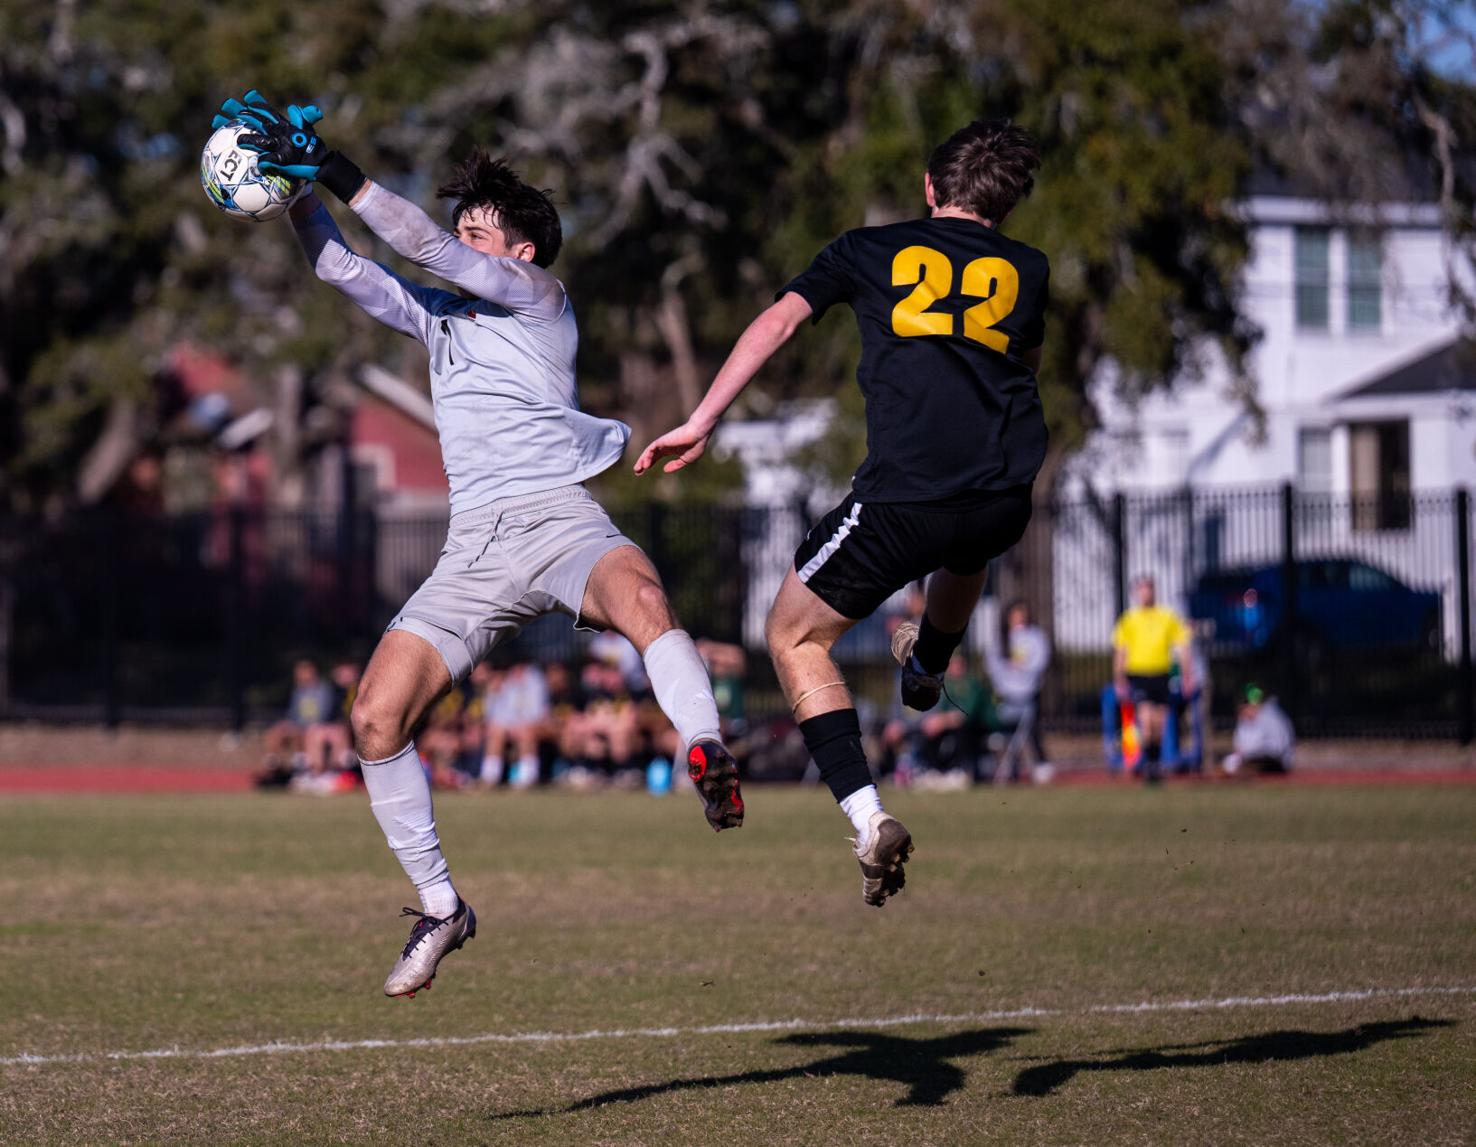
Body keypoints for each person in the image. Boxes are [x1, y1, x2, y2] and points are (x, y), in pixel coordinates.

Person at [216, 91, 741, 997]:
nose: (462, 239)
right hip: (473, 547)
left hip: (558, 516)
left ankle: (706, 749)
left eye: (480, 231)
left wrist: (335, 165)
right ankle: (440, 905)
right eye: (462, 224)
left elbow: (421, 245)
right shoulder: (439, 318)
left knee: (646, 604)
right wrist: (298, 193)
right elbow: (346, 270)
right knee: (375, 717)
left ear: (522, 251)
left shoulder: (540, 298)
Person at [638, 119, 1049, 906]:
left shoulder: (869, 248)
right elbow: (1018, 371)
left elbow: (779, 321)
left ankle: (868, 819)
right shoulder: (1031, 268)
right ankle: (927, 663)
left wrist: (703, 418)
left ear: (931, 190)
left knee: (792, 634)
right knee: (968, 542)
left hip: (904, 497)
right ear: (1004, 207)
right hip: (1001, 497)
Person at [1111, 575, 1195, 782]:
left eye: (1149, 589)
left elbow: (1182, 647)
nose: (1145, 593)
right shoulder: (1129, 620)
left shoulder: (1167, 617)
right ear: (1136, 593)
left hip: (1161, 674)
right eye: (1142, 590)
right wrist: (1119, 678)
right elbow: (1121, 652)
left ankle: (1154, 762)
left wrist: (1186, 675)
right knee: (1146, 722)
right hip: (1139, 674)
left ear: (1154, 591)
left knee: (1159, 724)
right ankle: (1148, 764)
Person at [985, 600, 1052, 772]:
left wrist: (1023, 668)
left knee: (1030, 730)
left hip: (1028, 692)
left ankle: (1040, 763)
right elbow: (994, 666)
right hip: (1007, 694)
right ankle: (1012, 767)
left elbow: (1040, 662)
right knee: (1007, 733)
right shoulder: (1000, 639)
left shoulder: (1035, 637)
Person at [1222, 683, 1294, 775]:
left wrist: (1250, 752)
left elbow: (1277, 750)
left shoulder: (1272, 716)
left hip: (1275, 762)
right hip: (1253, 759)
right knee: (1230, 763)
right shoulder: (1244, 721)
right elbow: (1239, 745)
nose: (1244, 711)